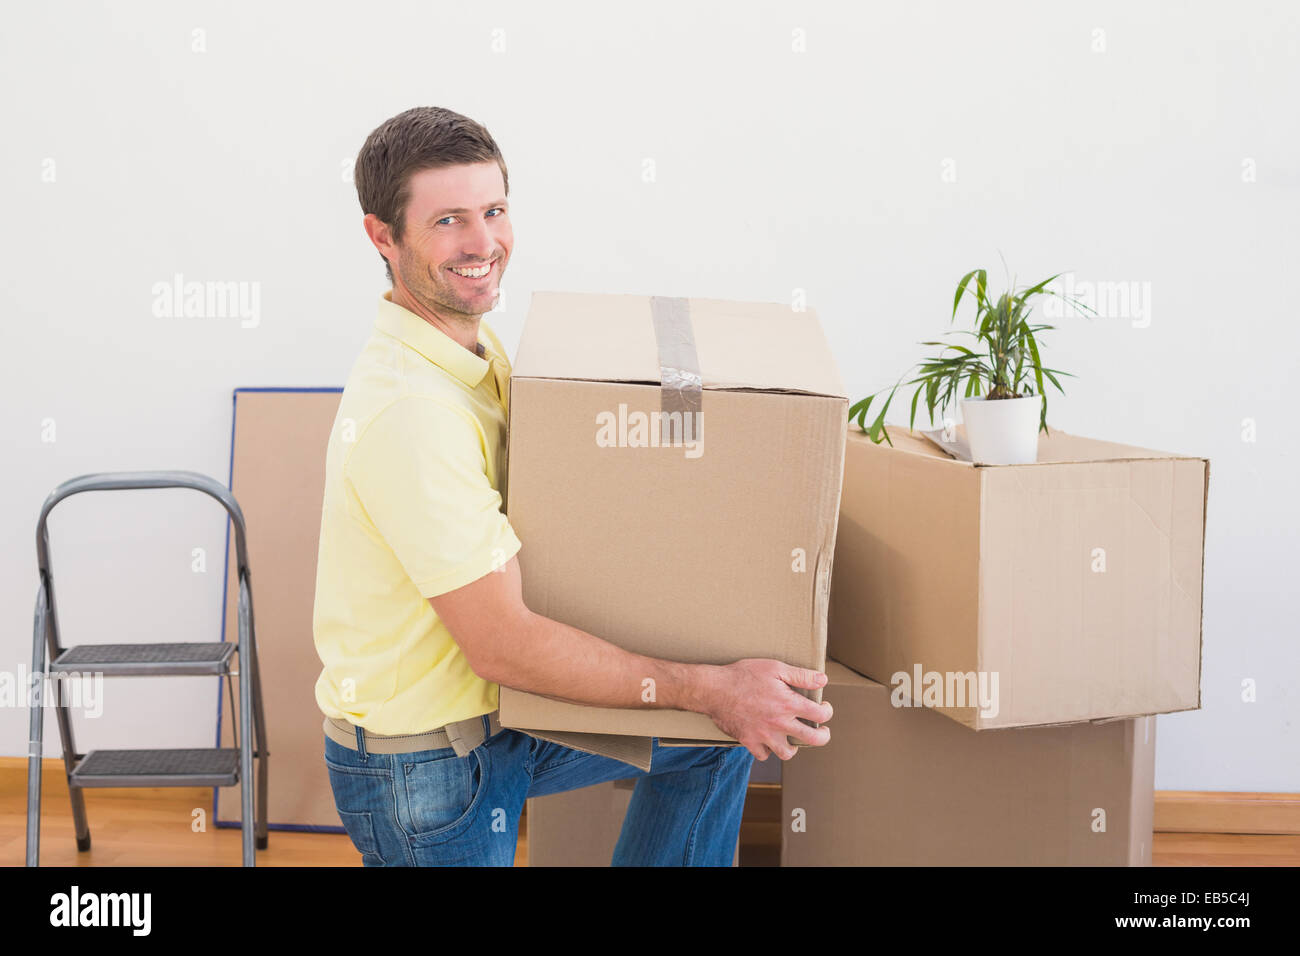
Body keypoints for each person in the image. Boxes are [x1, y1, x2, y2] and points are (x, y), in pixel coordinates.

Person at [312, 106, 832, 866]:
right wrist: (707, 684)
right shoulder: (411, 416)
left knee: (711, 739)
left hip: (499, 723)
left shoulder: (470, 351)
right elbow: (503, 645)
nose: (484, 243)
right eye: (449, 221)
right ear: (383, 238)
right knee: (710, 707)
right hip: (426, 768)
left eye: (493, 211)